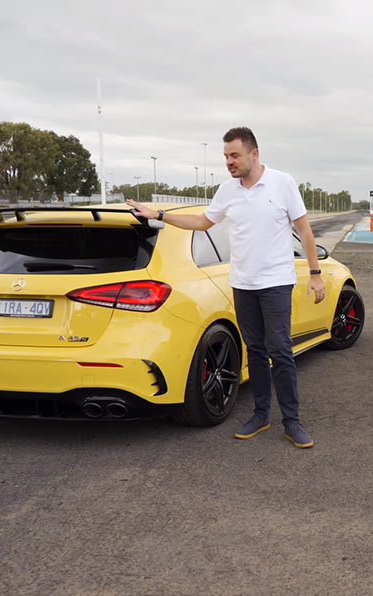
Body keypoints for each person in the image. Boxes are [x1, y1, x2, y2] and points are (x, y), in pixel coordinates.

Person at [127, 127, 323, 448]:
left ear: (253, 154)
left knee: (280, 351)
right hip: (242, 285)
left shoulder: (282, 183)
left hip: (275, 284)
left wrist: (315, 273)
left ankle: (292, 421)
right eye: (226, 157)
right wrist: (159, 214)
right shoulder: (227, 190)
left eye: (234, 155)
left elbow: (303, 228)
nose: (229, 162)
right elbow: (204, 221)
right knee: (255, 351)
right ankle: (261, 415)